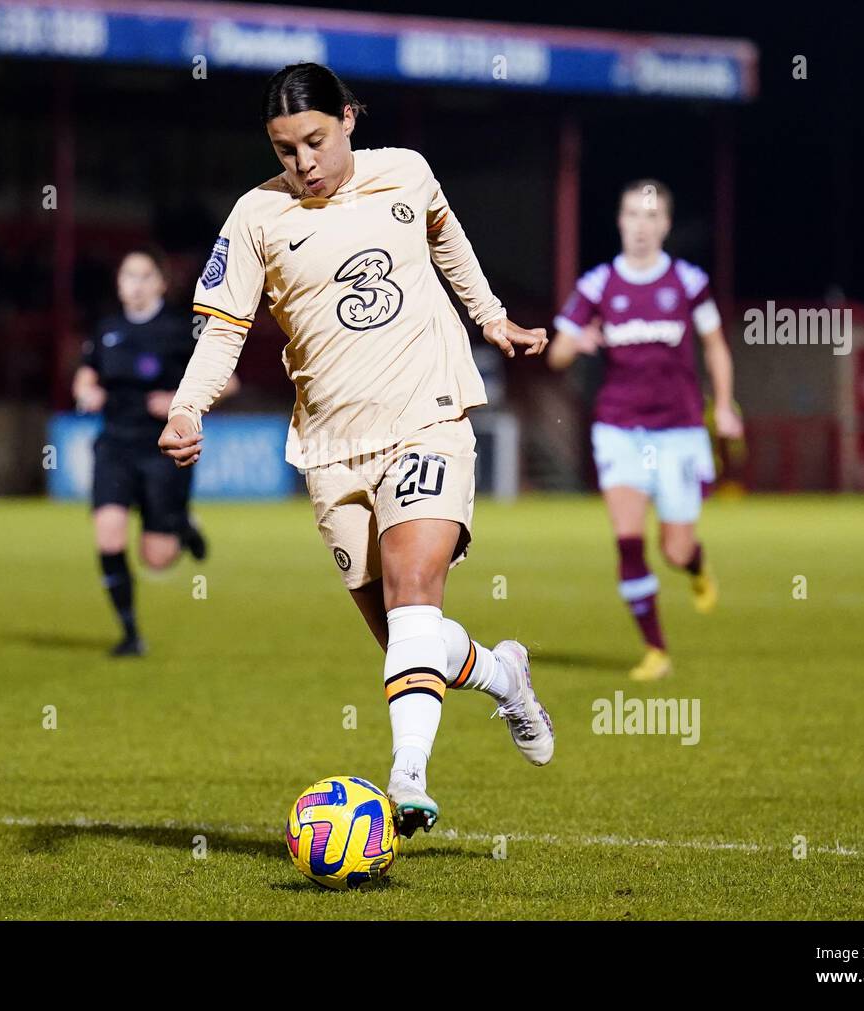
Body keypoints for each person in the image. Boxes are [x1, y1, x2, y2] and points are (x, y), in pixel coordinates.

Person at [158, 62, 556, 837]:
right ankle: (507, 674)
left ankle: (407, 777)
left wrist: (491, 318)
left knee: (414, 587)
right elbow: (224, 330)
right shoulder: (255, 218)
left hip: (427, 415)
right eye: (284, 150)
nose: (302, 162)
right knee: (412, 638)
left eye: (313, 140)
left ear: (347, 119)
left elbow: (448, 235)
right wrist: (186, 405)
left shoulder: (405, 173)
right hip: (332, 451)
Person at [547, 180, 744, 681]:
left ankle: (696, 566)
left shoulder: (687, 282)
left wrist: (723, 406)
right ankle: (656, 649)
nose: (640, 224)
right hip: (619, 429)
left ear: (665, 225)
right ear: (620, 221)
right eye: (632, 214)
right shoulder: (598, 285)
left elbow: (716, 346)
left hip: (679, 431)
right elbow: (557, 353)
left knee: (675, 548)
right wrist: (580, 341)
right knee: (629, 541)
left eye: (650, 216)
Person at [74, 248, 235, 657]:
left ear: (161, 283)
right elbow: (86, 375)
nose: (136, 283)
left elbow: (228, 381)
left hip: (164, 448)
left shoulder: (184, 328)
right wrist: (85, 391)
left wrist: (181, 400)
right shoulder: (106, 328)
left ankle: (180, 524)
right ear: (119, 283)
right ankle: (130, 635)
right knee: (108, 533)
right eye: (129, 275)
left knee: (157, 558)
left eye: (145, 276)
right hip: (114, 445)